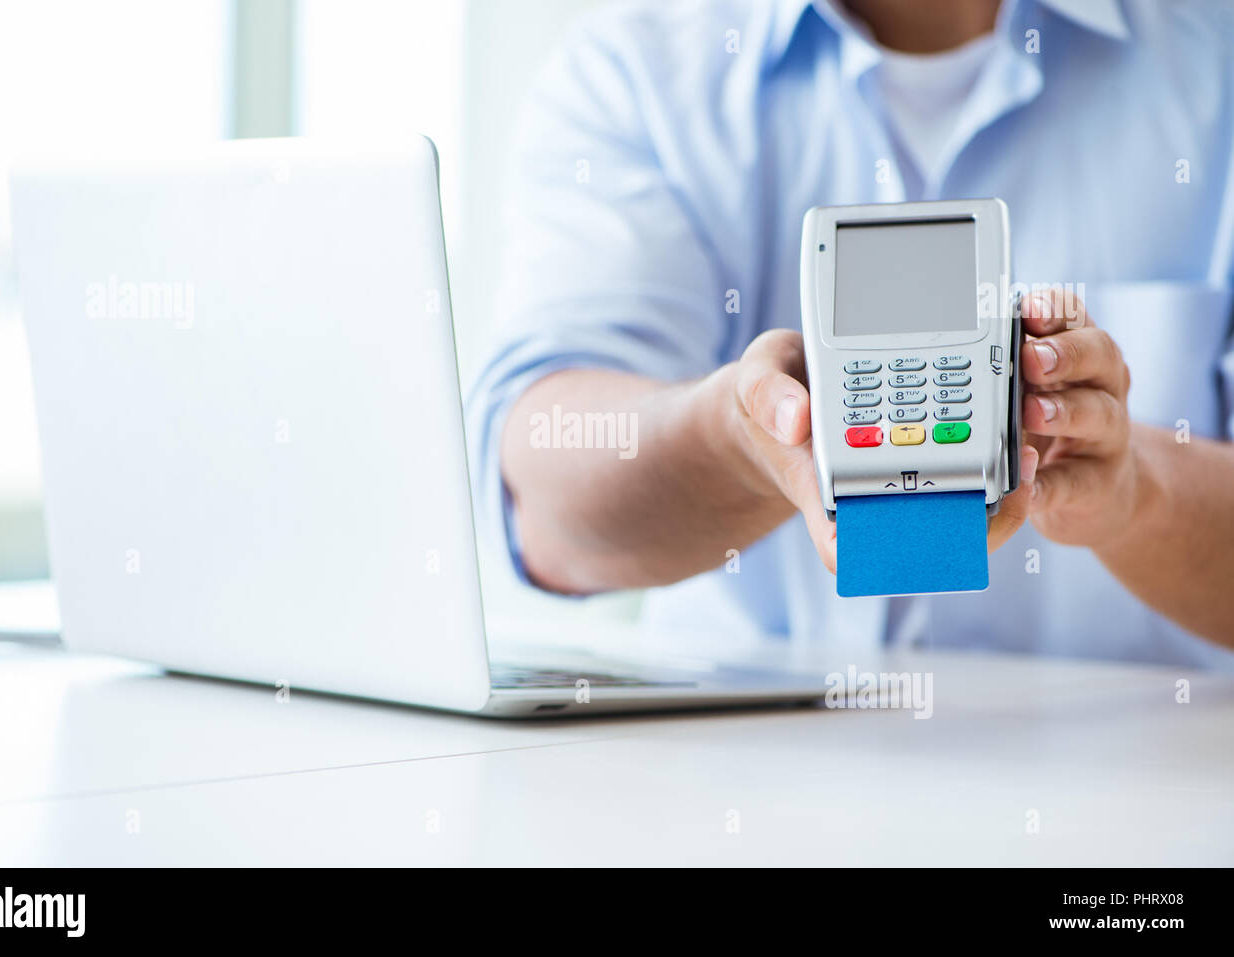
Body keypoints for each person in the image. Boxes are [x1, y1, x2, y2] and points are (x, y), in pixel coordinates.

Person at [466, 0, 1234, 667]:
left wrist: (1139, 490)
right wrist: (736, 435)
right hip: (746, 785)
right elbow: (543, 505)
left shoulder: (1216, 58)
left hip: (1129, 799)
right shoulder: (634, 75)